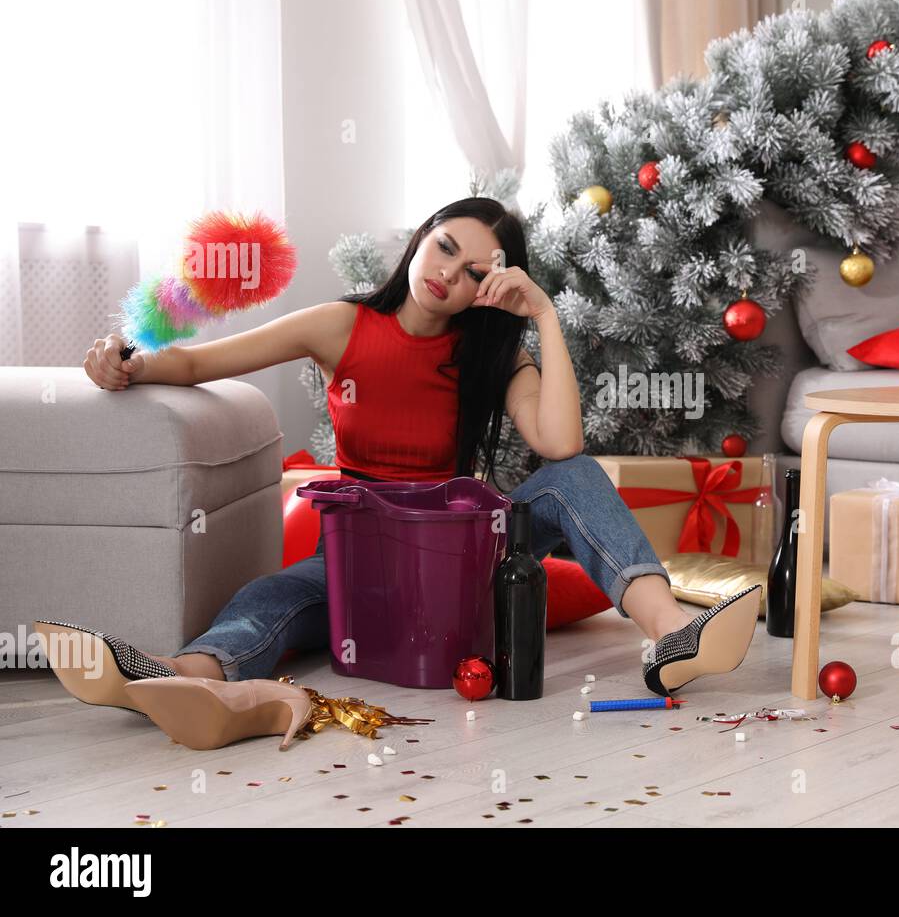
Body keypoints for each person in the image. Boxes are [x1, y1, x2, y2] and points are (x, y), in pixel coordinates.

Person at [38, 197, 761, 748]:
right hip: (362, 552)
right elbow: (200, 362)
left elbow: (561, 443)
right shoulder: (341, 325)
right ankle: (178, 679)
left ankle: (671, 634)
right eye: (445, 247)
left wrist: (541, 315)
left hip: (461, 548)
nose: (449, 272)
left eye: (476, 270)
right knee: (273, 596)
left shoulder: (493, 355)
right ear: (421, 238)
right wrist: (124, 360)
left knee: (574, 480)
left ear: (493, 285)